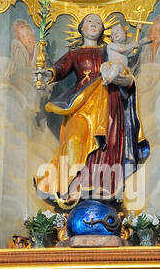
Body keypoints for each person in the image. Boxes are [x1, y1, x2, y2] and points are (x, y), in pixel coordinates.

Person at [35, 12, 149, 205]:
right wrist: (48, 73)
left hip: (108, 98)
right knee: (74, 138)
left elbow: (122, 65)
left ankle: (100, 188)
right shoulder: (75, 53)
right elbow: (61, 68)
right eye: (90, 21)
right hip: (80, 101)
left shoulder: (108, 49)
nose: (94, 24)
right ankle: (70, 187)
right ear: (81, 28)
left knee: (107, 145)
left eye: (98, 22)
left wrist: (123, 77)